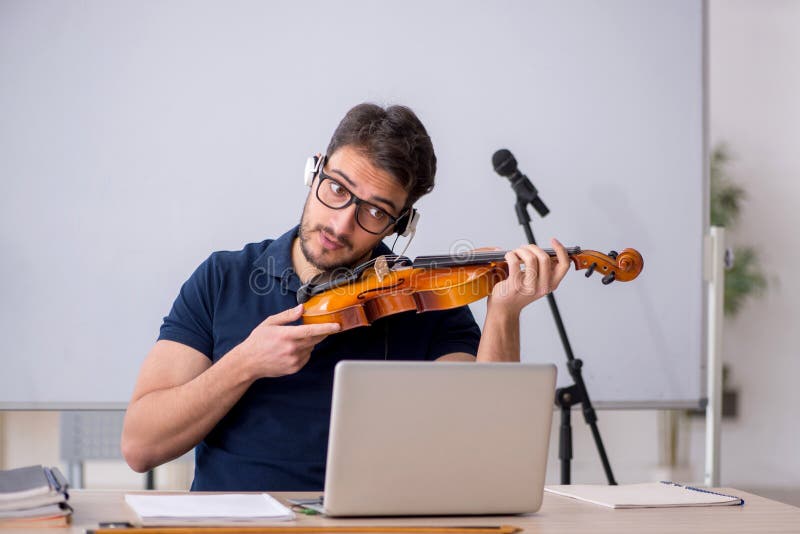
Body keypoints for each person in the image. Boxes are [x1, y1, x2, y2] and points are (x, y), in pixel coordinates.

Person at [121, 103, 570, 491]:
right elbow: (141, 446)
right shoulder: (223, 277)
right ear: (314, 170)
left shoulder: (425, 301)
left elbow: (488, 448)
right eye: (337, 188)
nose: (340, 224)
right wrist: (245, 364)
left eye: (374, 211)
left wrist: (504, 312)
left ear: (401, 225)